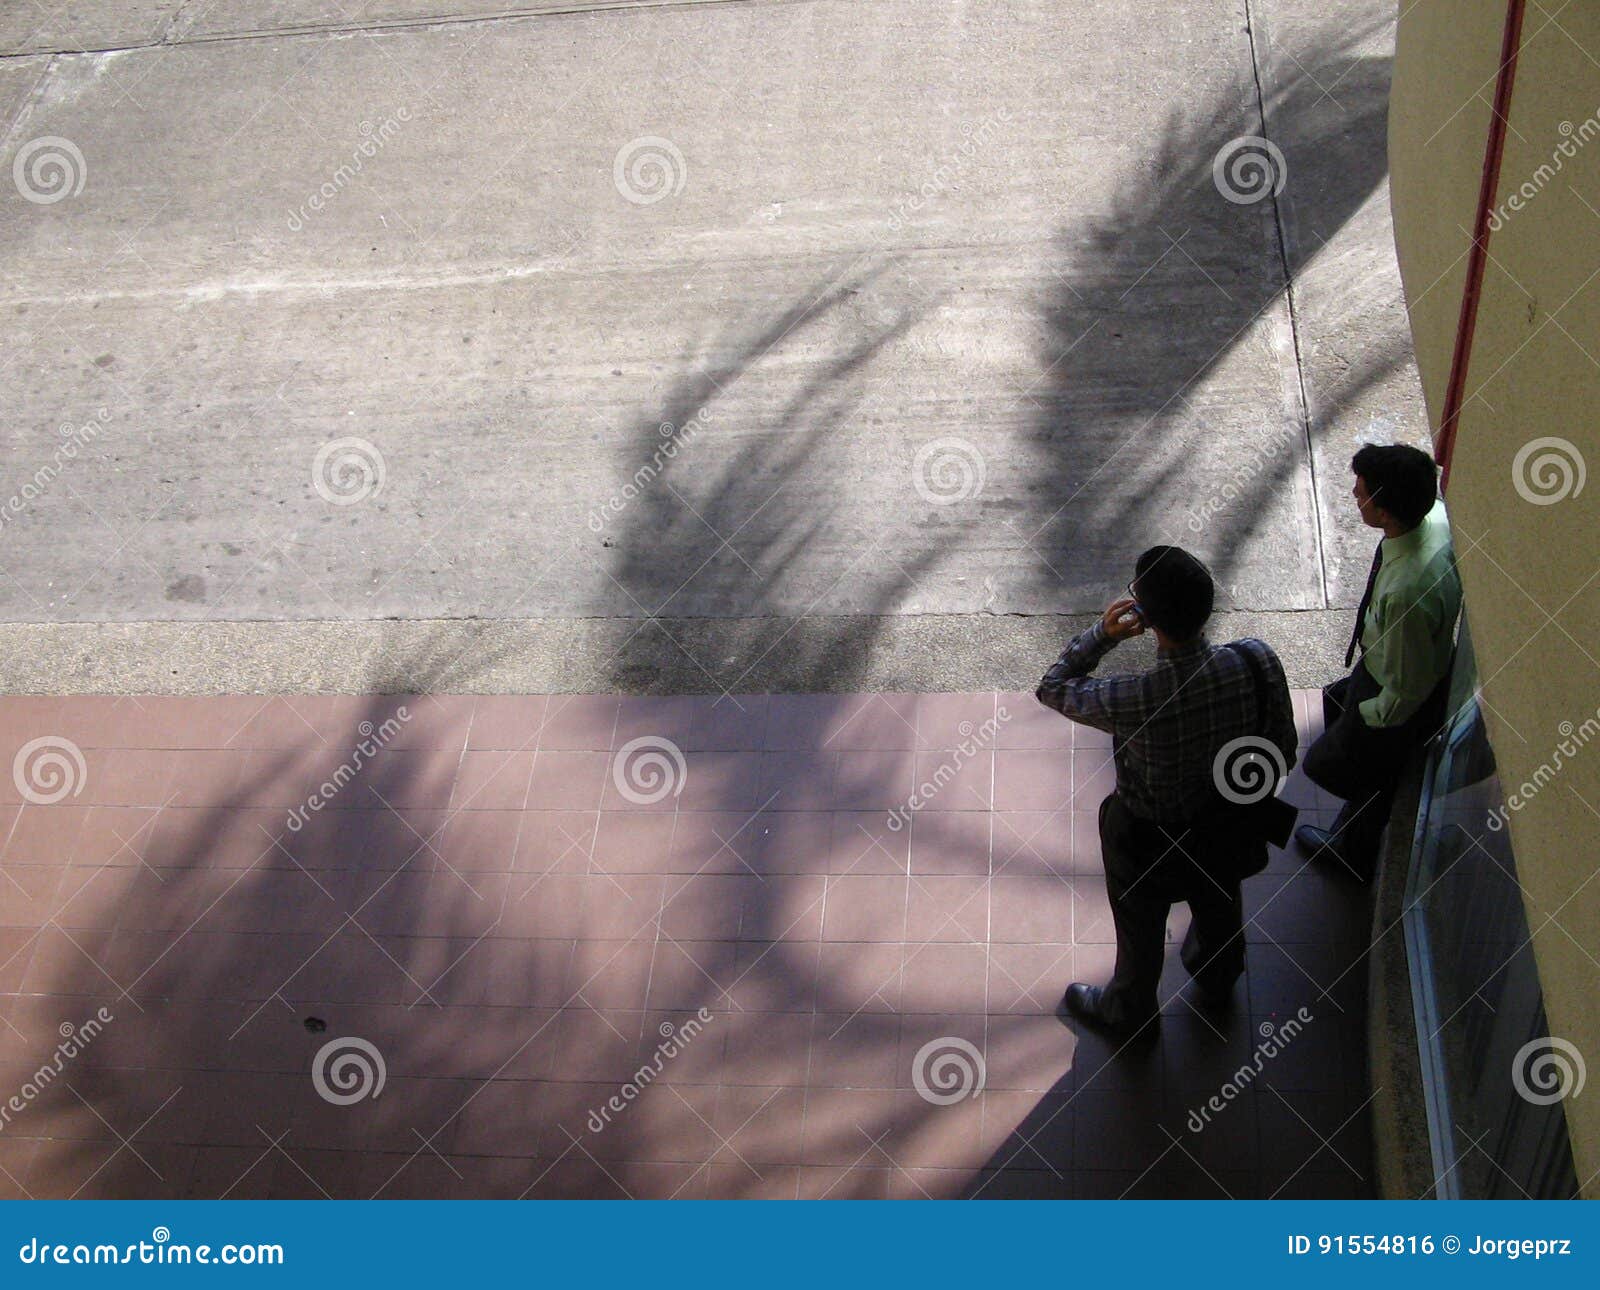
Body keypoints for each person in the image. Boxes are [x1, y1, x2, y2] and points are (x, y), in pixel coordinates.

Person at [1036, 546, 1297, 1037]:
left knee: (1139, 925)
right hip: (1228, 826)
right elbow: (1283, 748)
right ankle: (1218, 974)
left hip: (1146, 839)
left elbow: (1053, 687)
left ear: (1146, 617)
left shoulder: (1135, 696)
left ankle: (1130, 1012)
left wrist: (1101, 636)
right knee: (1219, 899)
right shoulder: (1256, 659)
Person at [1296, 443, 1462, 882]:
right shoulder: (1438, 522)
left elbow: (1404, 691)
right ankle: (1359, 825)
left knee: (1354, 767)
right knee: (1338, 705)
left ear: (1386, 512)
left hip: (1391, 695)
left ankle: (1355, 852)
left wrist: (1368, 716)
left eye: (1363, 491)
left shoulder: (1406, 593)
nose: (1353, 493)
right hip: (1386, 667)